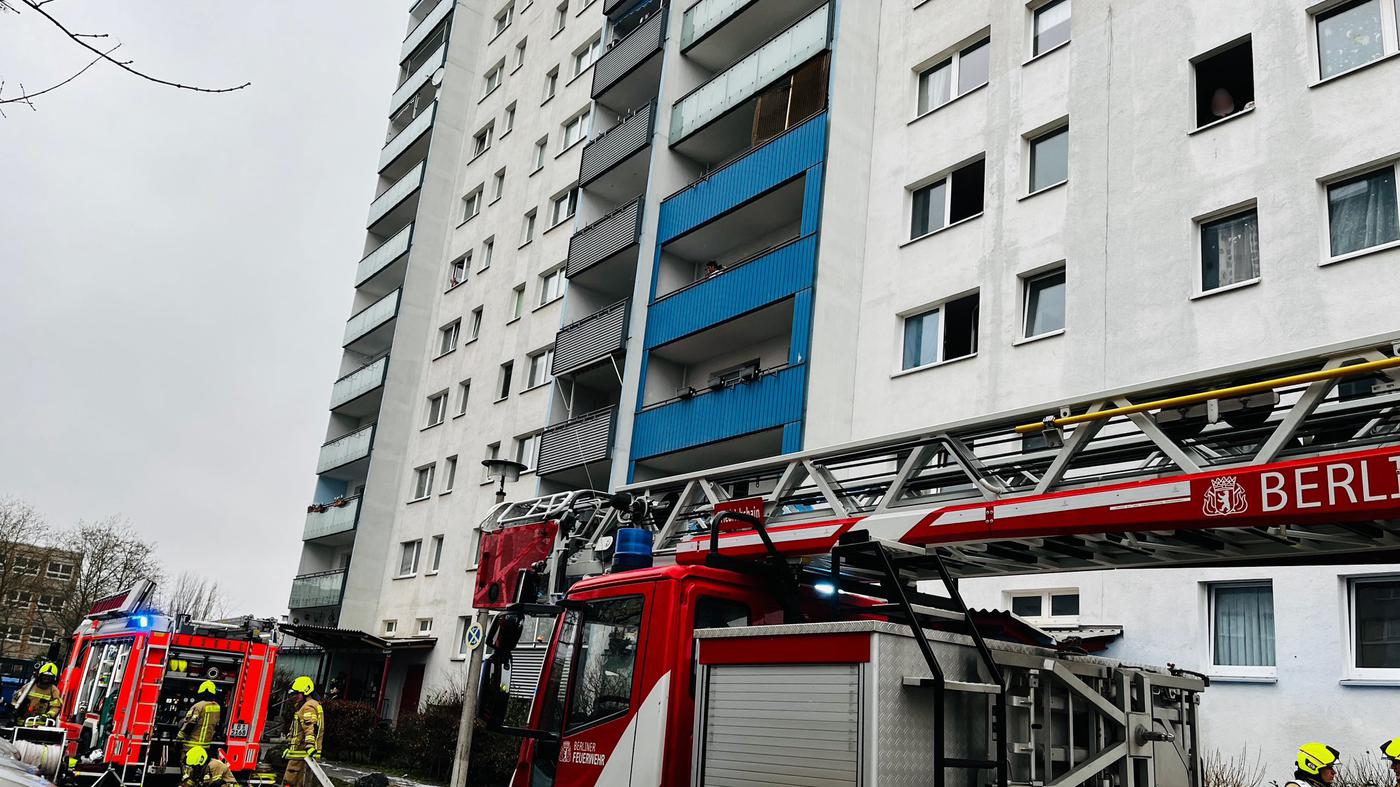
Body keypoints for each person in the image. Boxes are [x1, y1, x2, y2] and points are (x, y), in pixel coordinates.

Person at [281, 676, 324, 787]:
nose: (295, 697)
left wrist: (309, 747)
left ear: (305, 692)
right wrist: (289, 747)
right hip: (299, 754)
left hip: (301, 756)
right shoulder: (311, 705)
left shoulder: (308, 706)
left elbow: (310, 728)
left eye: (297, 693)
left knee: (291, 782)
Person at [177, 681, 223, 755]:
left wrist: (180, 735)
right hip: (206, 745)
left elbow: (190, 723)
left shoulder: (198, 706)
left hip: (192, 744)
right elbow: (217, 725)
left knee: (188, 762)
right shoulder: (217, 707)